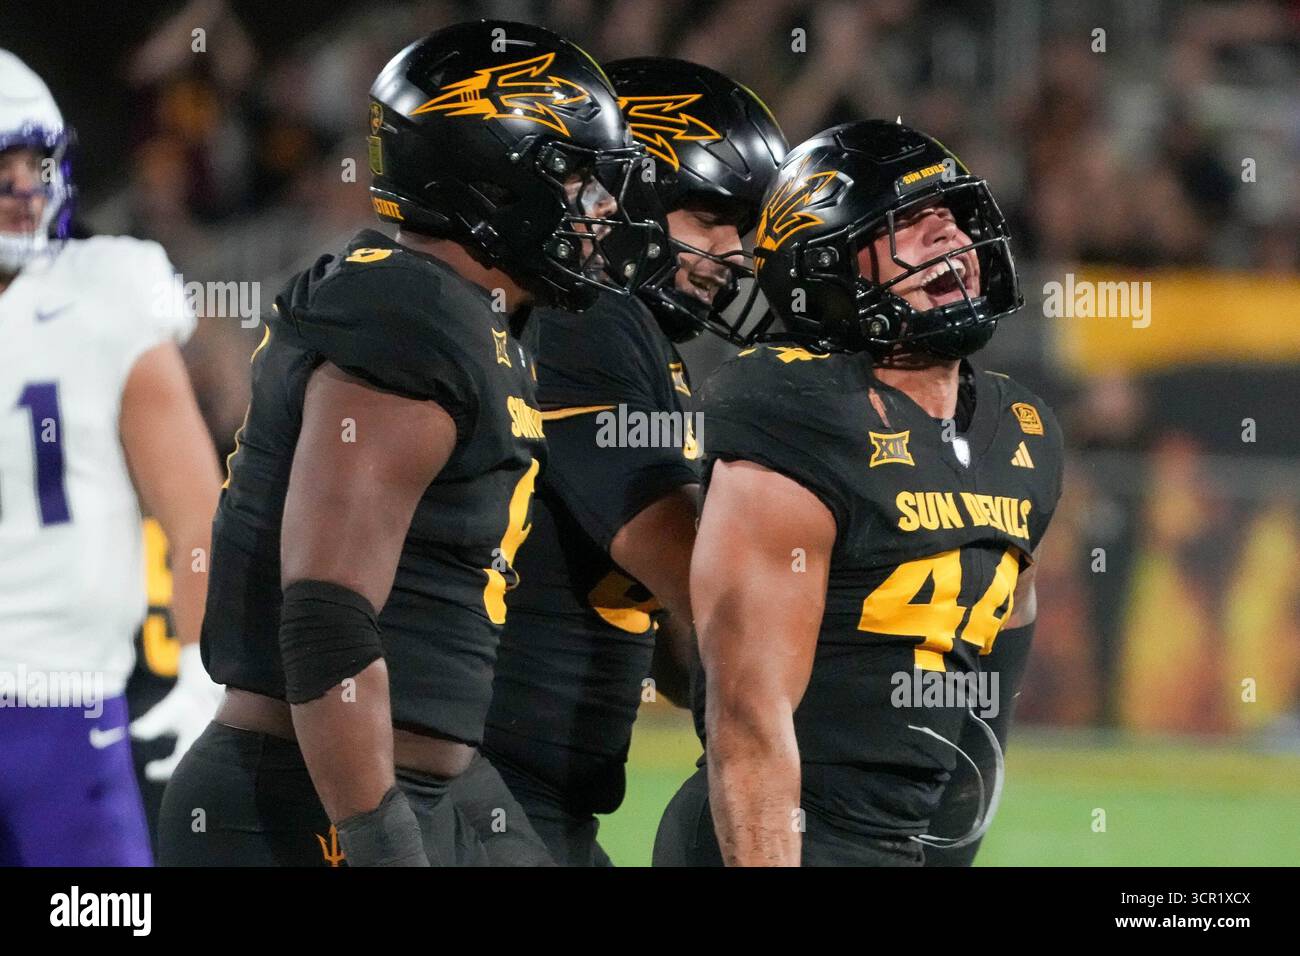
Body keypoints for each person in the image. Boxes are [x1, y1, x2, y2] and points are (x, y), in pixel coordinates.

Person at [156, 19, 666, 867]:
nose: (601, 206)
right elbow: (325, 616)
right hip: (308, 802)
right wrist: (381, 841)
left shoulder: (471, 316)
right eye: (575, 176)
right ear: (493, 180)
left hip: (421, 786)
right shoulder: (409, 316)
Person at [653, 119, 1063, 866]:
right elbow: (747, 720)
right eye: (908, 223)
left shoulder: (1021, 430)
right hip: (785, 835)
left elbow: (1005, 631)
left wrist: (950, 833)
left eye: (951, 215)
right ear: (828, 269)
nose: (949, 237)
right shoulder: (798, 416)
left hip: (895, 843)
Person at [459, 58, 786, 866]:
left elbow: (683, 656)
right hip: (484, 789)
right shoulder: (588, 318)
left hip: (525, 798)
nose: (733, 251)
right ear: (632, 196)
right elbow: (704, 592)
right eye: (711, 217)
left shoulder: (629, 337)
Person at [0, 49, 222, 865]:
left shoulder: (107, 290)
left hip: (67, 709)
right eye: (2, 166)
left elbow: (194, 511)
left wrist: (205, 671)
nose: (25, 189)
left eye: (37, 162)